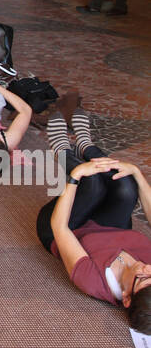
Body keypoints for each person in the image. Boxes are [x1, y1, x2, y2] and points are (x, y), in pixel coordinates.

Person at [37, 113, 151, 334]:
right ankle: (86, 146)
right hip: (110, 226)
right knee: (126, 183)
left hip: (66, 226)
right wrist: (137, 173)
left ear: (126, 298)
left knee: (93, 183)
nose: (147, 268)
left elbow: (59, 227)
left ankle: (62, 150)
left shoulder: (94, 281)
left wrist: (75, 176)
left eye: (143, 278)